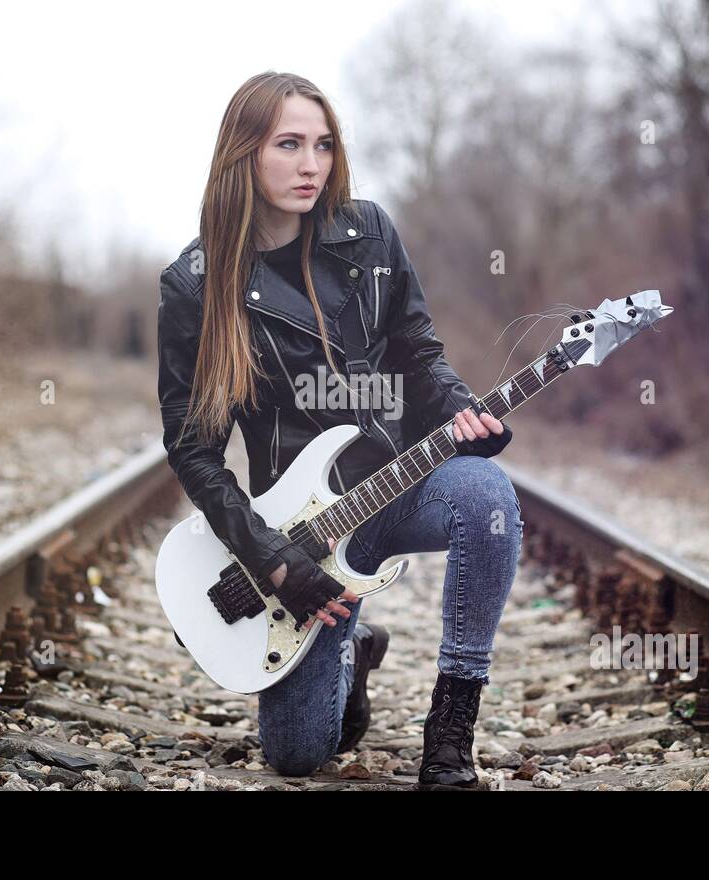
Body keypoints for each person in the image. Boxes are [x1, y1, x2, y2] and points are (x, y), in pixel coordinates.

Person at [157, 71, 523, 789]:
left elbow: (418, 352)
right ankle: (356, 654)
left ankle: (451, 732)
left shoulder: (369, 233)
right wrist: (271, 560)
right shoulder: (197, 286)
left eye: (323, 145)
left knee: (487, 498)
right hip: (303, 534)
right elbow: (193, 448)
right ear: (243, 155)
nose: (311, 164)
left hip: (400, 480)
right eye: (289, 144)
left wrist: (457, 410)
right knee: (298, 755)